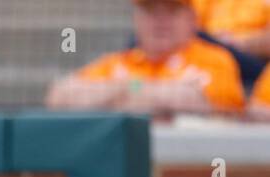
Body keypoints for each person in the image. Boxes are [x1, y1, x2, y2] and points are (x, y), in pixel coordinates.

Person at [46, 0, 246, 115]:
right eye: (151, 11)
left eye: (171, 11)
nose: (160, 21)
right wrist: (133, 86)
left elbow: (204, 105)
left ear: (192, 20)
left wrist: (115, 93)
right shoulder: (120, 61)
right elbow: (59, 97)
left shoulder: (215, 59)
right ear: (136, 18)